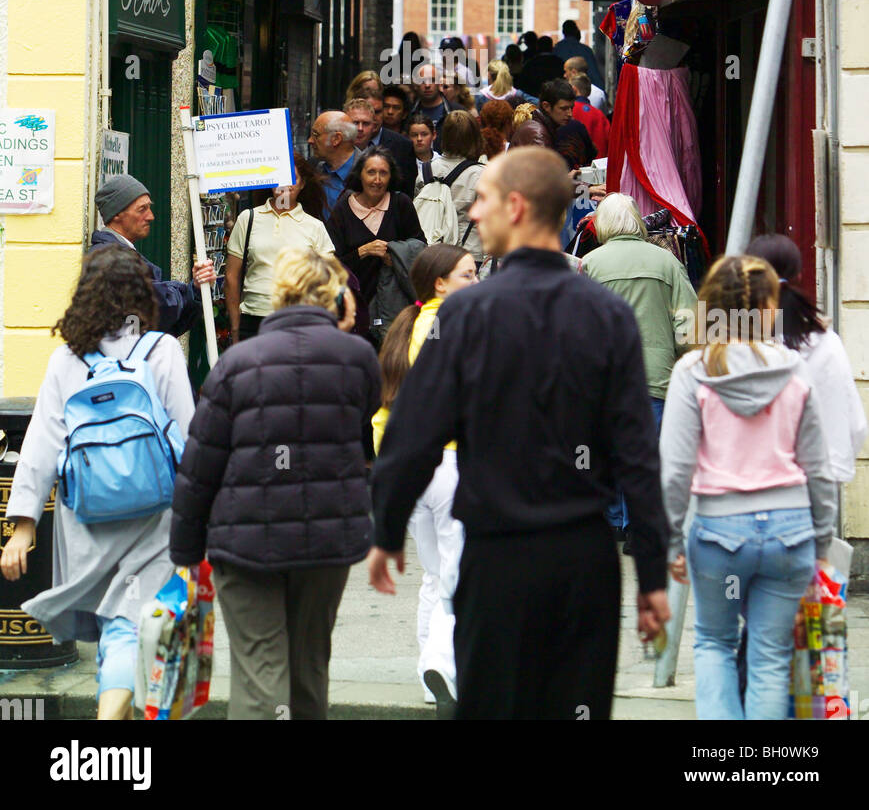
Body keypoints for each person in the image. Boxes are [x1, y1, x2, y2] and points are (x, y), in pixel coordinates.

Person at [368, 148, 671, 720]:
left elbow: (415, 431)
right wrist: (651, 574)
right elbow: (638, 455)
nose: (475, 214)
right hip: (584, 562)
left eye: (482, 200)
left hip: (497, 559)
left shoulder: (464, 316)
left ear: (515, 206)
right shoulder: (608, 316)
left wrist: (387, 530)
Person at [170, 247, 380, 720]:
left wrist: (185, 551)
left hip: (245, 539)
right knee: (310, 665)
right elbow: (360, 418)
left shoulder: (238, 362)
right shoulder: (358, 359)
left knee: (260, 670)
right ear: (335, 295)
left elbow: (201, 463)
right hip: (328, 540)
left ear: (280, 292)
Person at [0, 245, 195, 720]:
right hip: (154, 516)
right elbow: (190, 439)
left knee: (116, 628)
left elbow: (42, 443)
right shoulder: (162, 350)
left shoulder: (66, 360)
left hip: (86, 517)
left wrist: (23, 526)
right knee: (130, 622)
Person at [660, 254, 837, 721]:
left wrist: (672, 541)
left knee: (715, 644)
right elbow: (817, 468)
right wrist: (821, 541)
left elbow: (675, 469)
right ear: (767, 308)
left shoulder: (693, 371)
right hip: (791, 531)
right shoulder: (794, 370)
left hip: (720, 531)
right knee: (771, 657)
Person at [373, 244, 478, 712]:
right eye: (468, 275)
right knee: (457, 580)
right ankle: (441, 664)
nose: (476, 283)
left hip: (407, 468)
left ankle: (429, 675)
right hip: (452, 465)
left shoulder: (406, 326)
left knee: (435, 577)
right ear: (440, 283)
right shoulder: (459, 327)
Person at [581, 193, 697, 544]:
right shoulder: (667, 262)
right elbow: (689, 325)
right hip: (655, 372)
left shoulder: (590, 264)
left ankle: (616, 519)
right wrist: (682, 355)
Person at [747, 234, 868, 480]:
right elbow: (855, 425)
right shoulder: (828, 343)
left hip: (750, 485)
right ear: (799, 276)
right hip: (818, 482)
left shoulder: (733, 346)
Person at [91, 175, 216, 337]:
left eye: (149, 208)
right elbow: (160, 307)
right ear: (117, 214)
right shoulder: (111, 259)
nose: (151, 216)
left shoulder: (117, 253)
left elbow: (165, 325)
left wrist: (196, 289)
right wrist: (185, 292)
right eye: (142, 209)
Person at [224, 162, 335, 343]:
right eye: (280, 177)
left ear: (302, 184)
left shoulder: (315, 227)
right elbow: (231, 277)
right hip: (253, 320)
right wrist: (235, 329)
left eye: (293, 178)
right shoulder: (248, 218)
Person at [325, 146, 426, 323]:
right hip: (355, 306)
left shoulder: (401, 204)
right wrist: (363, 251)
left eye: (383, 173)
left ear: (391, 177)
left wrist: (395, 255)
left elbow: (420, 247)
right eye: (371, 172)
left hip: (396, 305)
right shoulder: (342, 209)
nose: (377, 180)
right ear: (360, 175)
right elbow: (333, 263)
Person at [417, 110, 486, 265]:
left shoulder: (426, 170)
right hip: (469, 255)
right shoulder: (482, 175)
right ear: (475, 137)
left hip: (433, 255)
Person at [509, 78, 594, 170]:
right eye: (563, 108)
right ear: (546, 106)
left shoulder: (540, 127)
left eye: (571, 108)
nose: (570, 114)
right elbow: (545, 179)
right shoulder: (538, 134)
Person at [358, 90, 417, 196]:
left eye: (377, 112)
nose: (373, 117)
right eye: (368, 112)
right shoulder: (348, 141)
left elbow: (408, 191)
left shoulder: (403, 146)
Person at [309, 111, 363, 212]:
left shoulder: (369, 173)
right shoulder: (315, 169)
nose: (310, 140)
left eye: (316, 135)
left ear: (336, 139)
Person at [408, 64, 453, 145]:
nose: (427, 85)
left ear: (439, 83)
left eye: (432, 80)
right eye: (423, 81)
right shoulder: (408, 113)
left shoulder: (454, 112)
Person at [553, 18, 604, 89]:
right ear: (576, 31)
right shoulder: (585, 50)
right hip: (582, 90)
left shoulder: (556, 49)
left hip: (562, 91)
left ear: (563, 32)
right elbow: (595, 76)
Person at [569, 74, 611, 157]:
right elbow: (609, 141)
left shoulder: (568, 110)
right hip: (598, 164)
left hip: (576, 164)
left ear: (574, 89)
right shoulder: (599, 114)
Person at [409, 115, 436, 180]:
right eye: (414, 135)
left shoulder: (441, 162)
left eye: (424, 134)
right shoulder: (403, 163)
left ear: (434, 135)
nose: (419, 139)